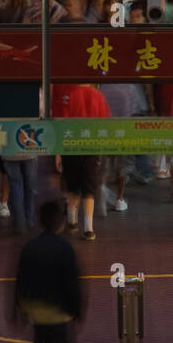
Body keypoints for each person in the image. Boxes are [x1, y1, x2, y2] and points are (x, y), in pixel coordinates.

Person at [13, 198, 83, 343]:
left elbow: (20, 281)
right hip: (61, 317)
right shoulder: (65, 248)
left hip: (38, 316)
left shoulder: (30, 248)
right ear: (58, 221)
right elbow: (72, 284)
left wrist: (18, 309)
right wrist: (77, 311)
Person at [52, 82, 112, 239]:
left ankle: (72, 221)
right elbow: (105, 124)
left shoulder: (68, 95)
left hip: (70, 147)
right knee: (88, 188)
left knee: (72, 186)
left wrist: (58, 153)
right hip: (91, 147)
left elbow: (60, 125)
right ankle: (89, 229)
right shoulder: (99, 96)